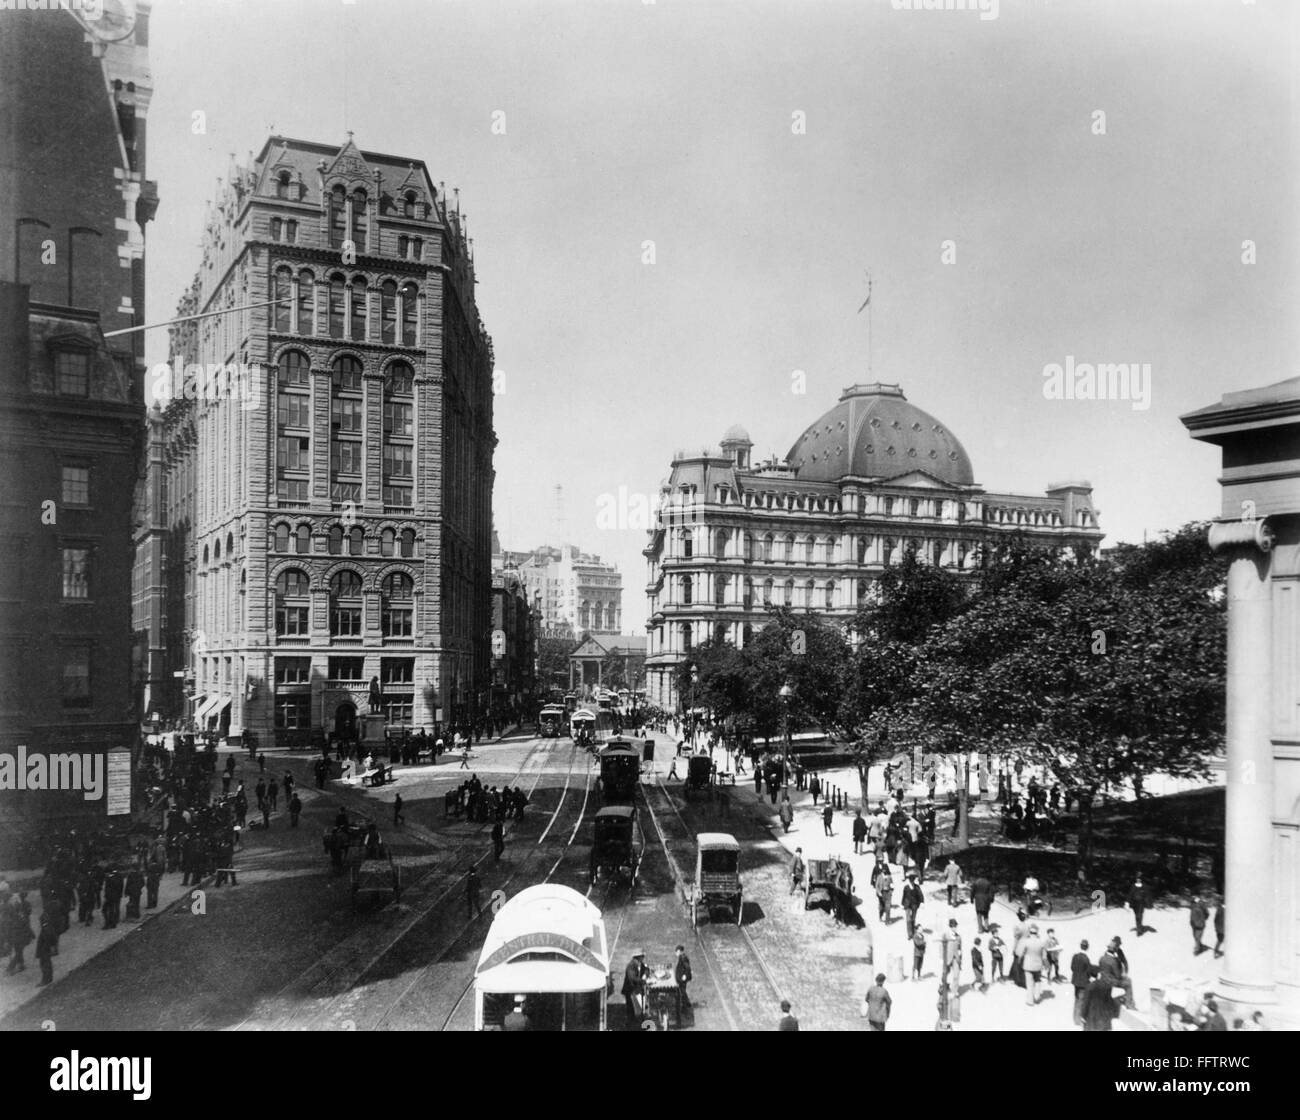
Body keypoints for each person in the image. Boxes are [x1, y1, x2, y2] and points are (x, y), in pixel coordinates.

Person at [1098, 936, 1134, 1009]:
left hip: (1106, 976)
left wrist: (1125, 972)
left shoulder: (1104, 956)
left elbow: (1124, 962)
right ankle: (1129, 1004)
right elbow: (1117, 972)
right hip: (1113, 977)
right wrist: (1122, 976)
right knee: (1128, 983)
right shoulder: (1113, 958)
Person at [622, 950, 648, 1029]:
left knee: (637, 1008)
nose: (643, 958)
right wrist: (643, 981)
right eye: (642, 956)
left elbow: (647, 969)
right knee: (631, 1009)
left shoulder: (639, 963)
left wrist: (645, 975)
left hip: (635, 989)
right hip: (630, 990)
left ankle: (637, 1024)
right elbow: (632, 978)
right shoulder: (631, 965)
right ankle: (630, 1025)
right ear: (638, 957)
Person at [1021, 923, 1045, 1006]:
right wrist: (1044, 964)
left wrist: (1020, 960)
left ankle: (1030, 1001)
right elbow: (1044, 955)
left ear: (1030, 932)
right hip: (1038, 965)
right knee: (1038, 980)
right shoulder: (1041, 942)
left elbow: (1022, 953)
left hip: (1028, 964)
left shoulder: (1026, 941)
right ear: (1037, 933)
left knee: (1029, 983)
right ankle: (1037, 996)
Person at [34, 912, 56, 987]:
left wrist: (42, 951)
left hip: (44, 951)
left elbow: (46, 941)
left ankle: (45, 980)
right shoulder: (49, 927)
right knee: (47, 964)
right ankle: (49, 978)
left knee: (44, 965)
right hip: (46, 950)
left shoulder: (46, 929)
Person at [901, 872, 924, 940]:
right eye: (910, 881)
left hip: (914, 905)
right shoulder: (906, 887)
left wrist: (922, 902)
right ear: (909, 881)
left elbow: (920, 895)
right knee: (908, 919)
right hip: (907, 905)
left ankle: (913, 932)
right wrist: (902, 904)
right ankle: (909, 934)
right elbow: (904, 896)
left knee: (913, 919)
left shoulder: (917, 887)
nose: (911, 882)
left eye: (912, 881)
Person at [674, 944, 692, 1024]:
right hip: (681, 978)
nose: (675, 953)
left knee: (682, 992)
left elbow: (687, 967)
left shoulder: (683, 957)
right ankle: (687, 1003)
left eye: (676, 952)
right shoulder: (681, 957)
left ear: (679, 951)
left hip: (682, 979)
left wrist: (685, 975)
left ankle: (685, 1008)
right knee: (683, 991)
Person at [941, 917, 962, 988]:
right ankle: (943, 986)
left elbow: (960, 948)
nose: (954, 928)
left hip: (956, 959)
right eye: (953, 926)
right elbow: (941, 947)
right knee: (945, 974)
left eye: (955, 926)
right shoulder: (945, 935)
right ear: (950, 927)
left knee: (956, 975)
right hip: (947, 958)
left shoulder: (958, 937)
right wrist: (941, 958)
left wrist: (960, 957)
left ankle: (954, 992)